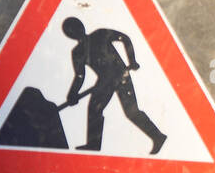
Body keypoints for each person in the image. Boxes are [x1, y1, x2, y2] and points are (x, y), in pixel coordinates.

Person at [61, 17, 166, 154]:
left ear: (81, 27)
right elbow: (80, 76)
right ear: (70, 35)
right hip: (104, 81)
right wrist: (72, 94)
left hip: (121, 76)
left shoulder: (100, 34)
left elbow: (124, 38)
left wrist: (132, 59)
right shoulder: (77, 52)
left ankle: (158, 137)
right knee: (94, 109)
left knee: (131, 111)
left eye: (75, 28)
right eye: (71, 31)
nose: (75, 32)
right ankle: (93, 144)